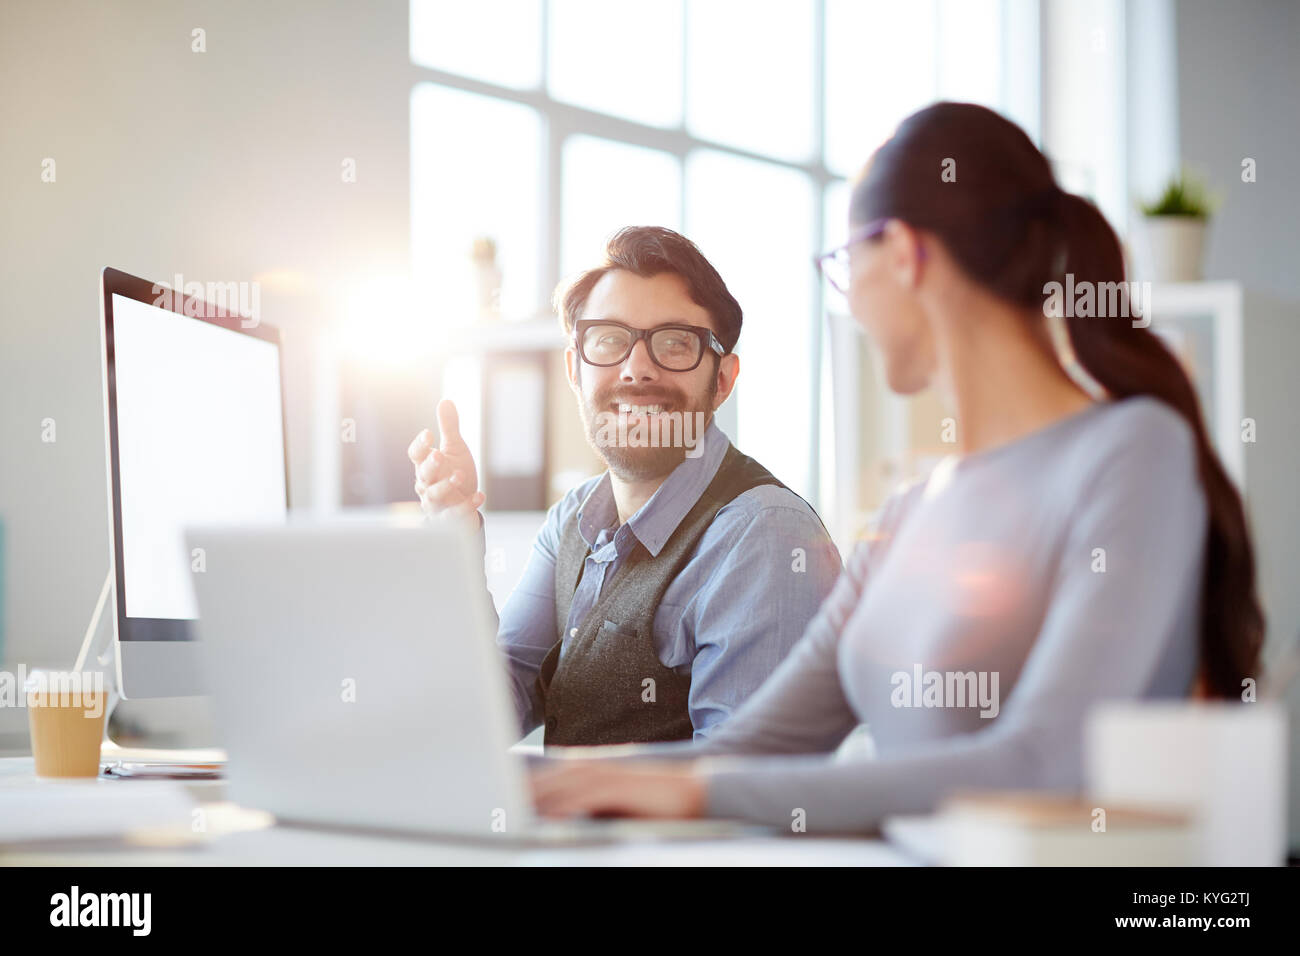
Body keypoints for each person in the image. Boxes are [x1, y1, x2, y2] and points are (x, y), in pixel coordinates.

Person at [528, 103, 1265, 830]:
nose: (850, 300)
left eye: (848, 264)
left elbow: (1044, 763)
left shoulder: (1133, 453)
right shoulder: (910, 512)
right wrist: (532, 777)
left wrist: (700, 796)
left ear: (905, 255)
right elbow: (764, 745)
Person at [407, 226, 840, 747]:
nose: (637, 369)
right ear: (575, 369)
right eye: (610, 340)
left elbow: (742, 782)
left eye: (675, 343)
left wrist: (553, 788)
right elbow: (484, 713)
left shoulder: (764, 534)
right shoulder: (573, 518)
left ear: (722, 380)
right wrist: (455, 540)